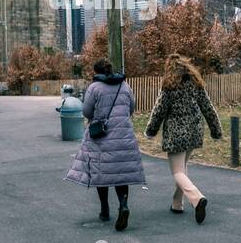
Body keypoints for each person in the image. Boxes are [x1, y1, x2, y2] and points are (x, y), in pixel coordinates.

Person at [66, 59, 146, 231]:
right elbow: (131, 108)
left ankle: (104, 209)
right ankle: (123, 204)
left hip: (101, 136)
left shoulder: (94, 88)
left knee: (101, 172)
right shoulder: (125, 86)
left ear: (97, 72)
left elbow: (87, 112)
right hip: (123, 135)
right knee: (121, 173)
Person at [145, 54, 221, 224]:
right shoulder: (196, 84)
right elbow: (208, 108)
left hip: (176, 134)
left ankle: (197, 197)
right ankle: (177, 203)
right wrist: (216, 131)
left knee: (177, 172)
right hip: (194, 131)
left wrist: (150, 131)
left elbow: (159, 111)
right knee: (182, 168)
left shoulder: (169, 87)